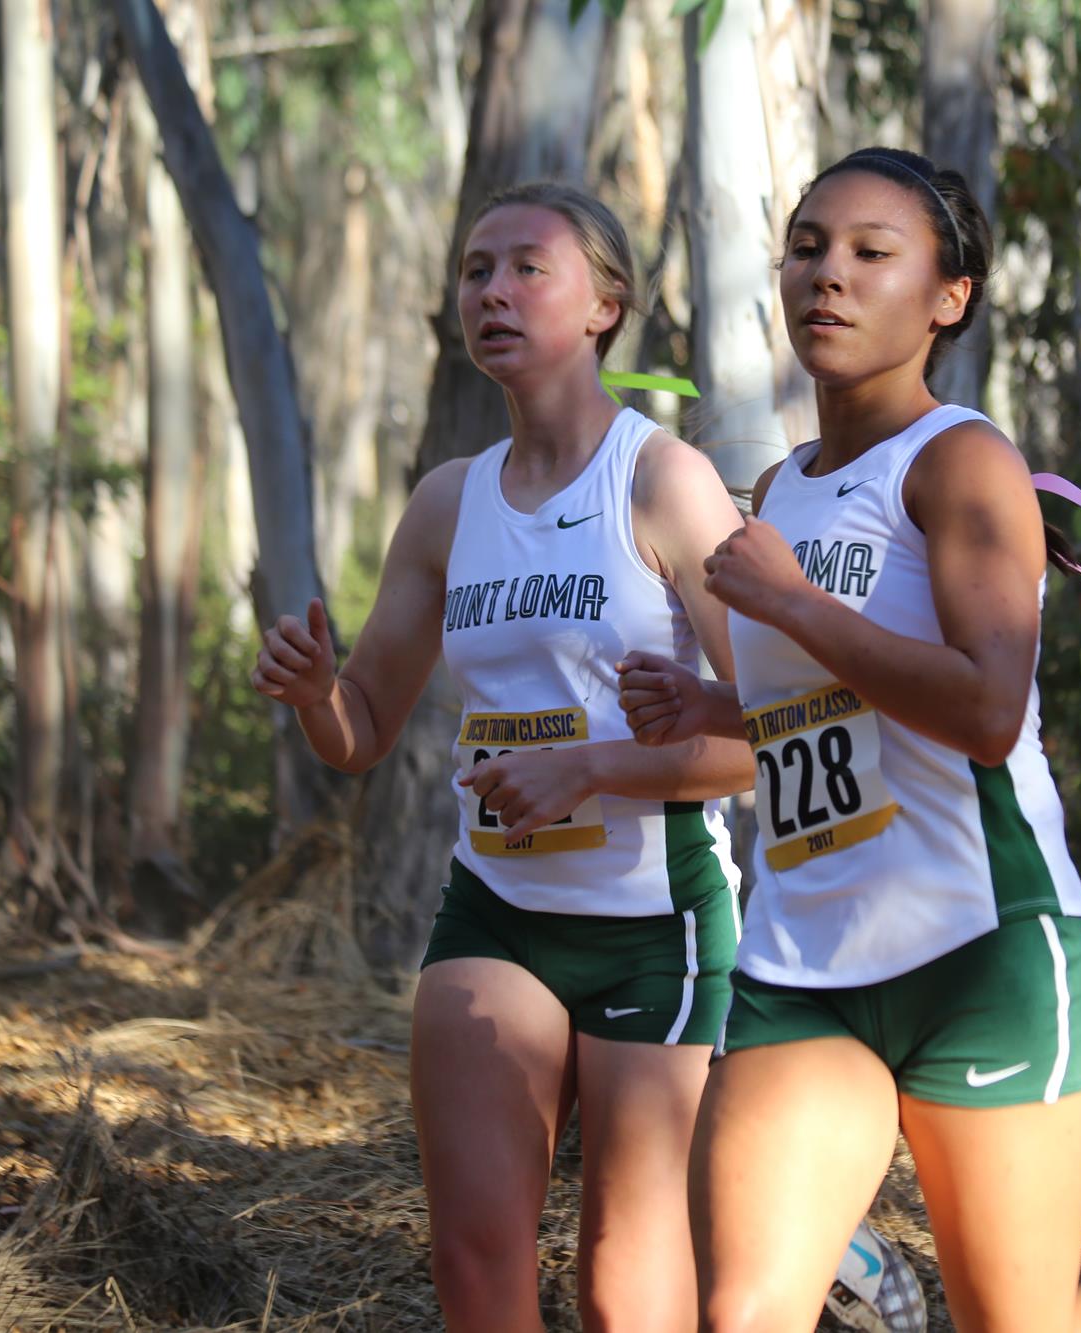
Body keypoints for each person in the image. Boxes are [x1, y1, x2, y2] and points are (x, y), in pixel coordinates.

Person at [619, 146, 1081, 1333]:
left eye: (868, 253)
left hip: (980, 951)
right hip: (806, 967)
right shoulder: (780, 485)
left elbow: (982, 708)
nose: (826, 277)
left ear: (948, 296)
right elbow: (825, 719)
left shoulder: (960, 463)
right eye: (805, 247)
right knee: (740, 1316)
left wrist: (792, 604)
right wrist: (711, 710)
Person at [251, 182, 752, 1333]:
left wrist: (592, 770)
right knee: (477, 1270)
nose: (492, 292)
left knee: (628, 1288)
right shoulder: (447, 502)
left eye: (527, 267)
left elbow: (776, 733)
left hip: (652, 925)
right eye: (475, 270)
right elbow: (362, 733)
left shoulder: (661, 481)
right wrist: (314, 690)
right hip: (496, 911)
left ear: (603, 305)